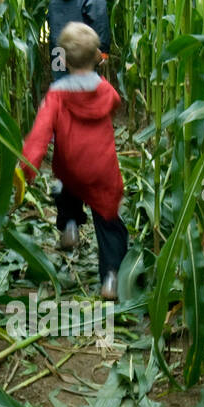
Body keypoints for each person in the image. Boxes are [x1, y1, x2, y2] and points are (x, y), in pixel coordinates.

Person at [20, 22, 127, 301]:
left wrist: (26, 170)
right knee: (109, 221)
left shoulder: (56, 95)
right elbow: (115, 103)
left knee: (66, 192)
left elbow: (40, 134)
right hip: (103, 169)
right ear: (96, 58)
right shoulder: (106, 91)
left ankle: (69, 225)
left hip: (71, 167)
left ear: (63, 59)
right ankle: (111, 278)